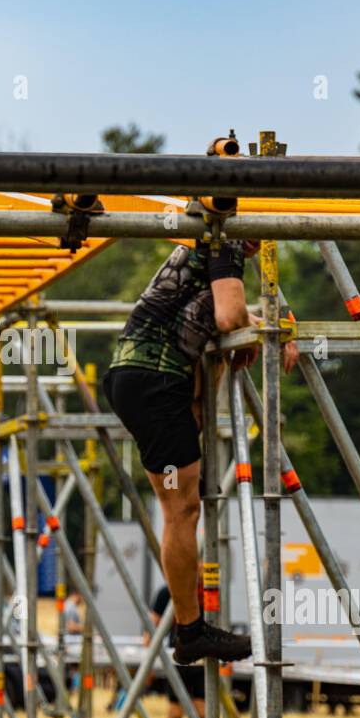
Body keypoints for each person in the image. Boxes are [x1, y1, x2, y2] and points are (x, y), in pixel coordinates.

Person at [102, 238, 297, 666]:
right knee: (181, 510)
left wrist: (264, 324)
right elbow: (229, 316)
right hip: (154, 381)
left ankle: (191, 627)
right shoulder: (222, 244)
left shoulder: (204, 247)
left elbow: (220, 319)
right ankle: (190, 631)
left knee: (183, 481)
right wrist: (272, 330)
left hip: (144, 380)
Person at [148, 583, 206, 718]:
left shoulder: (208, 590)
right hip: (178, 662)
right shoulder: (167, 592)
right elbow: (153, 624)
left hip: (201, 664)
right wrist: (148, 655)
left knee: (203, 717)